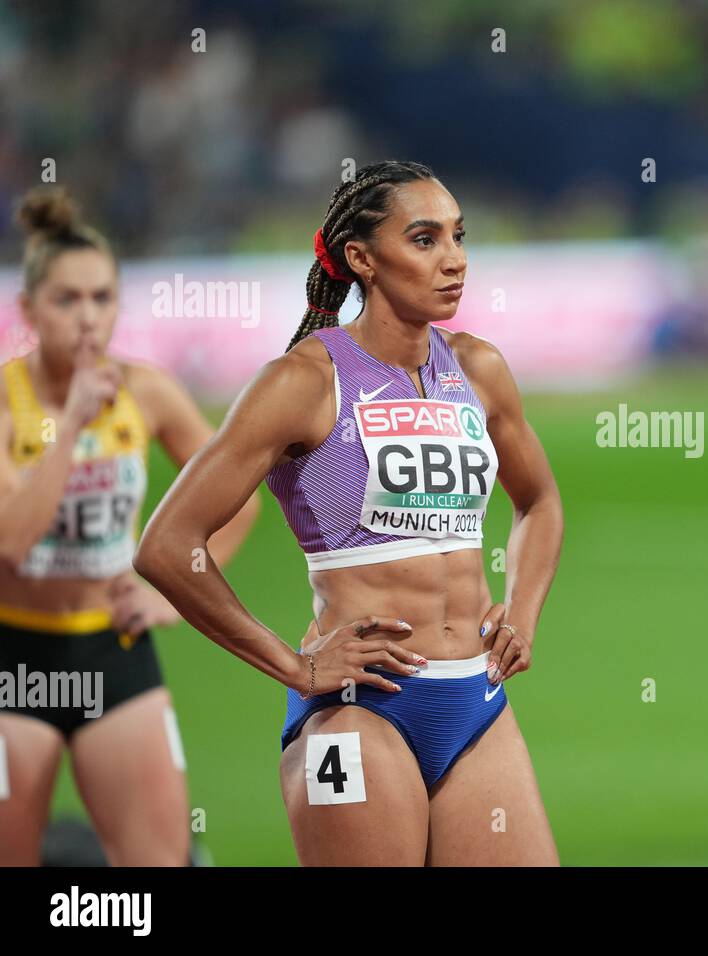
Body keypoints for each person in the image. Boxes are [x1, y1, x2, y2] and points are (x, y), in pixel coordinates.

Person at [135, 160, 564, 866]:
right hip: (363, 712)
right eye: (424, 240)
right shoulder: (304, 381)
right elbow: (167, 544)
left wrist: (524, 608)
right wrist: (293, 666)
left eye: (459, 236)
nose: (454, 260)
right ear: (362, 258)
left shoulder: (478, 369)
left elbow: (540, 500)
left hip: (477, 704)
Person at [0, 186, 259, 865]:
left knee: (160, 863)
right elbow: (11, 542)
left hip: (113, 653)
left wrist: (168, 593)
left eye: (102, 298)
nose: (87, 317)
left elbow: (238, 499)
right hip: (16, 658)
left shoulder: (146, 392)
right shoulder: (7, 402)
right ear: (28, 310)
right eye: (67, 300)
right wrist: (72, 427)